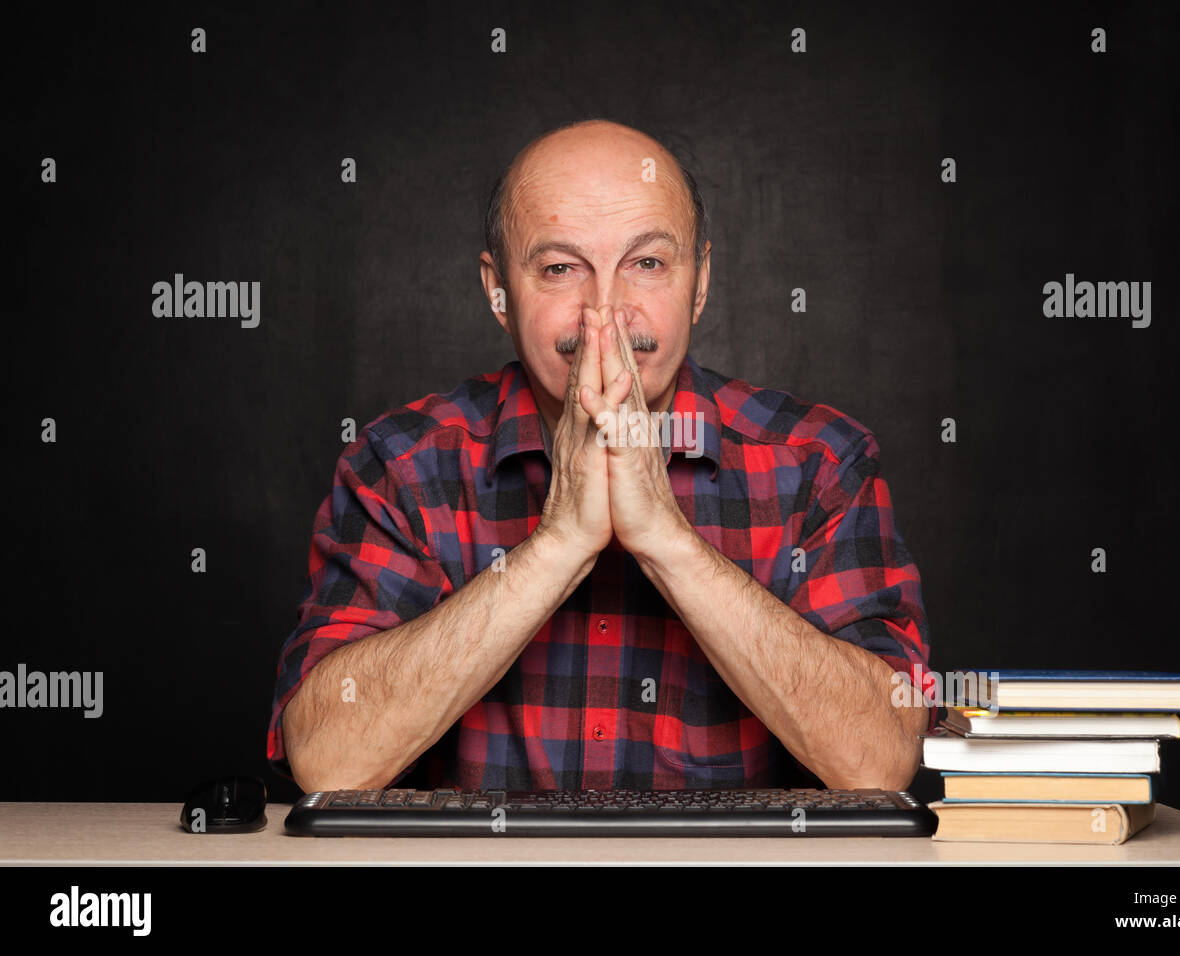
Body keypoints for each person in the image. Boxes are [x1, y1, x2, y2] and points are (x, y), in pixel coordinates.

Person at [268, 118, 935, 794]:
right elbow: (328, 762)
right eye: (560, 269)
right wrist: (558, 545)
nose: (607, 314)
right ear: (498, 291)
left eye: (648, 264)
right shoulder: (400, 465)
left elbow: (880, 762)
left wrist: (667, 540)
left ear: (700, 282)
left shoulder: (820, 463)